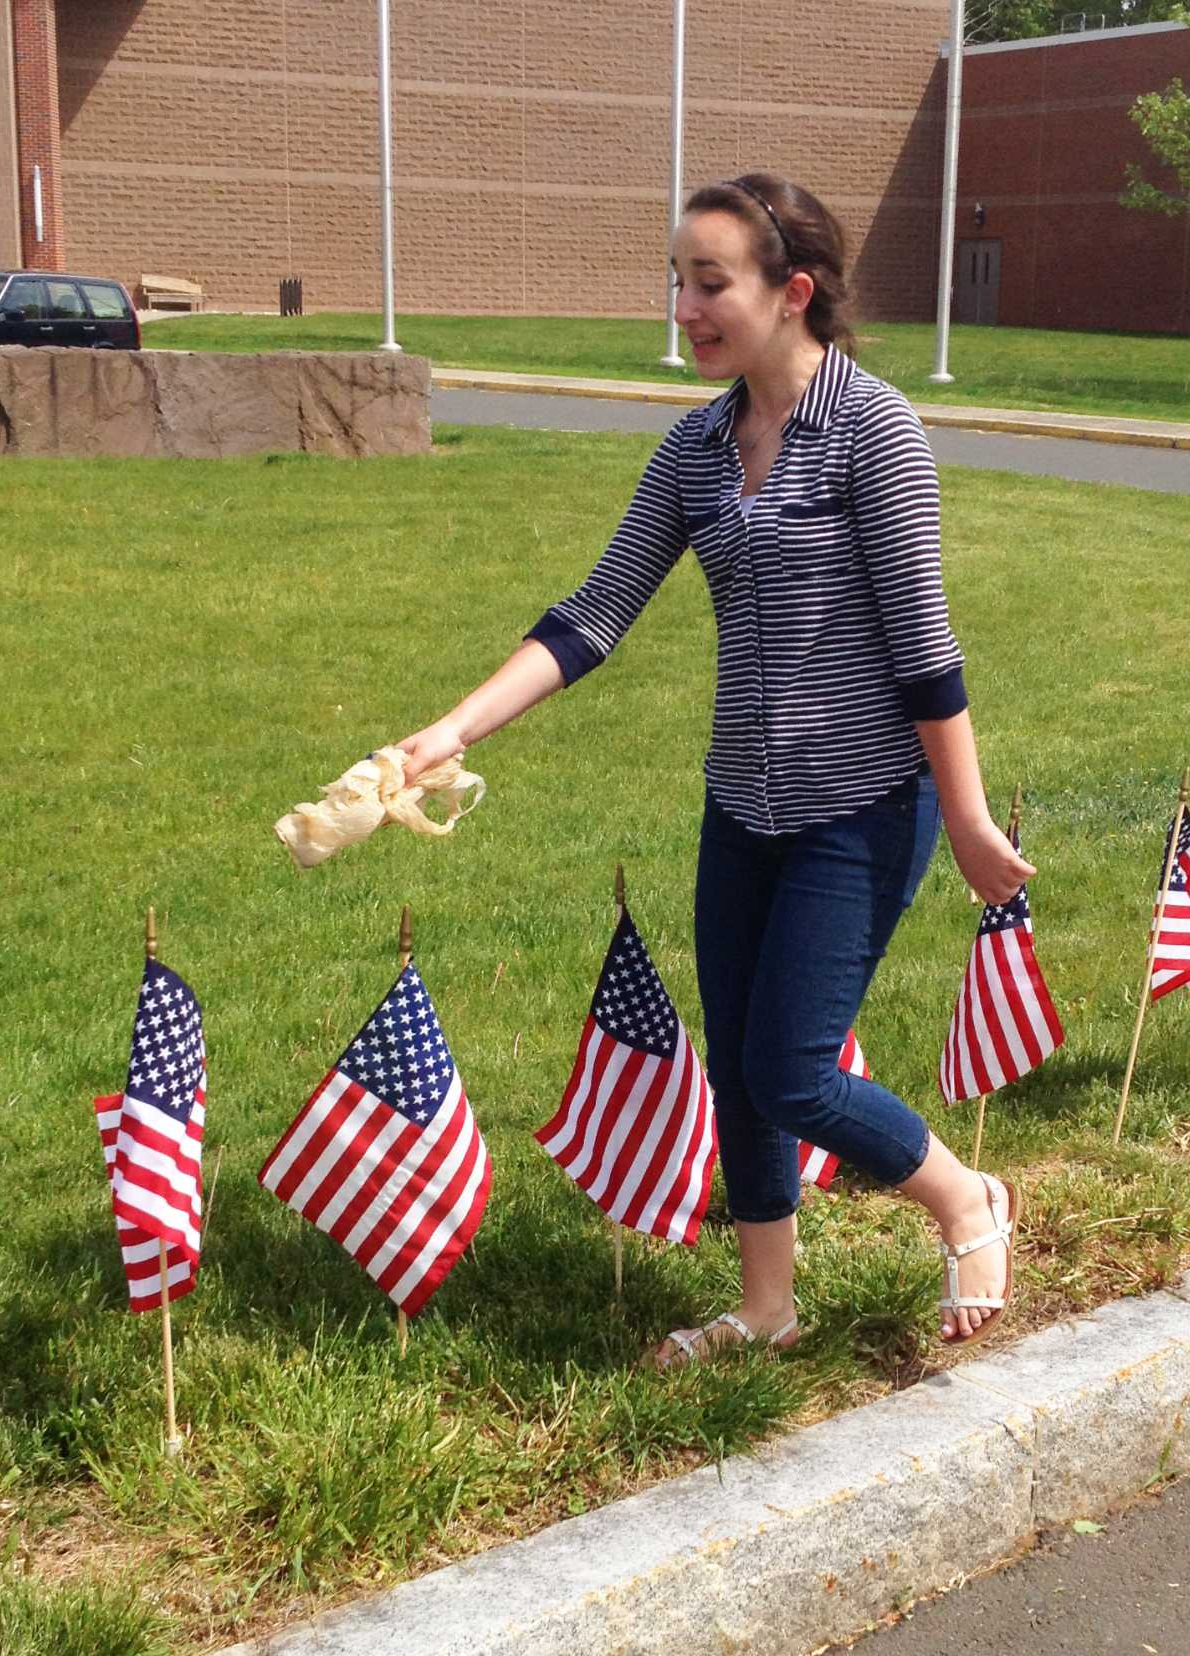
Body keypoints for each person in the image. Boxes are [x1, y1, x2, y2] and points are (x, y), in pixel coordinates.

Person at [396, 174, 1030, 1362]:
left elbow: (923, 647)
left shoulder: (873, 431)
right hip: (741, 806)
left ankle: (961, 1198)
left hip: (858, 806)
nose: (684, 307)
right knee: (739, 1069)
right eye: (677, 281)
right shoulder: (697, 444)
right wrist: (454, 729)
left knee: (791, 1071)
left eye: (709, 282)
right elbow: (593, 613)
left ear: (791, 294)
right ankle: (764, 1307)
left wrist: (966, 817)